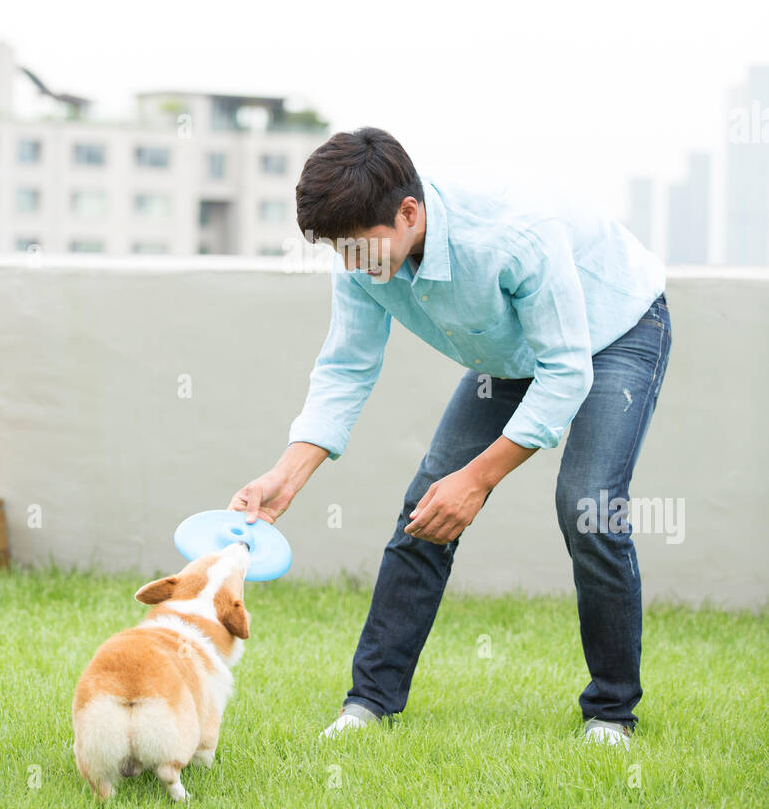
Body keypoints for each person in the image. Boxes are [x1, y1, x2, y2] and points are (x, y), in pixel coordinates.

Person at [228, 127, 672, 749]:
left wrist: (478, 479)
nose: (352, 265)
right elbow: (346, 368)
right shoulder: (362, 256)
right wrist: (285, 476)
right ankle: (369, 704)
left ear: (409, 213)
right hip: (512, 350)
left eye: (358, 249)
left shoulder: (510, 236)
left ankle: (610, 714)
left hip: (616, 329)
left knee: (588, 507)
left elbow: (567, 371)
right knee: (425, 508)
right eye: (340, 252)